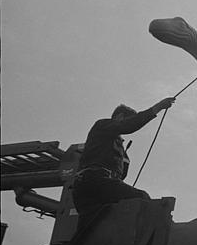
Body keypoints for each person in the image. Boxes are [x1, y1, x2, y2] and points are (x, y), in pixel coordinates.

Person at [71, 98, 175, 233]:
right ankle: (167, 230)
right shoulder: (102, 125)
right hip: (94, 181)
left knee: (91, 232)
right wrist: (158, 107)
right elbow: (129, 125)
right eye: (127, 119)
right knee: (142, 198)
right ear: (120, 116)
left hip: (89, 187)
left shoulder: (113, 145)